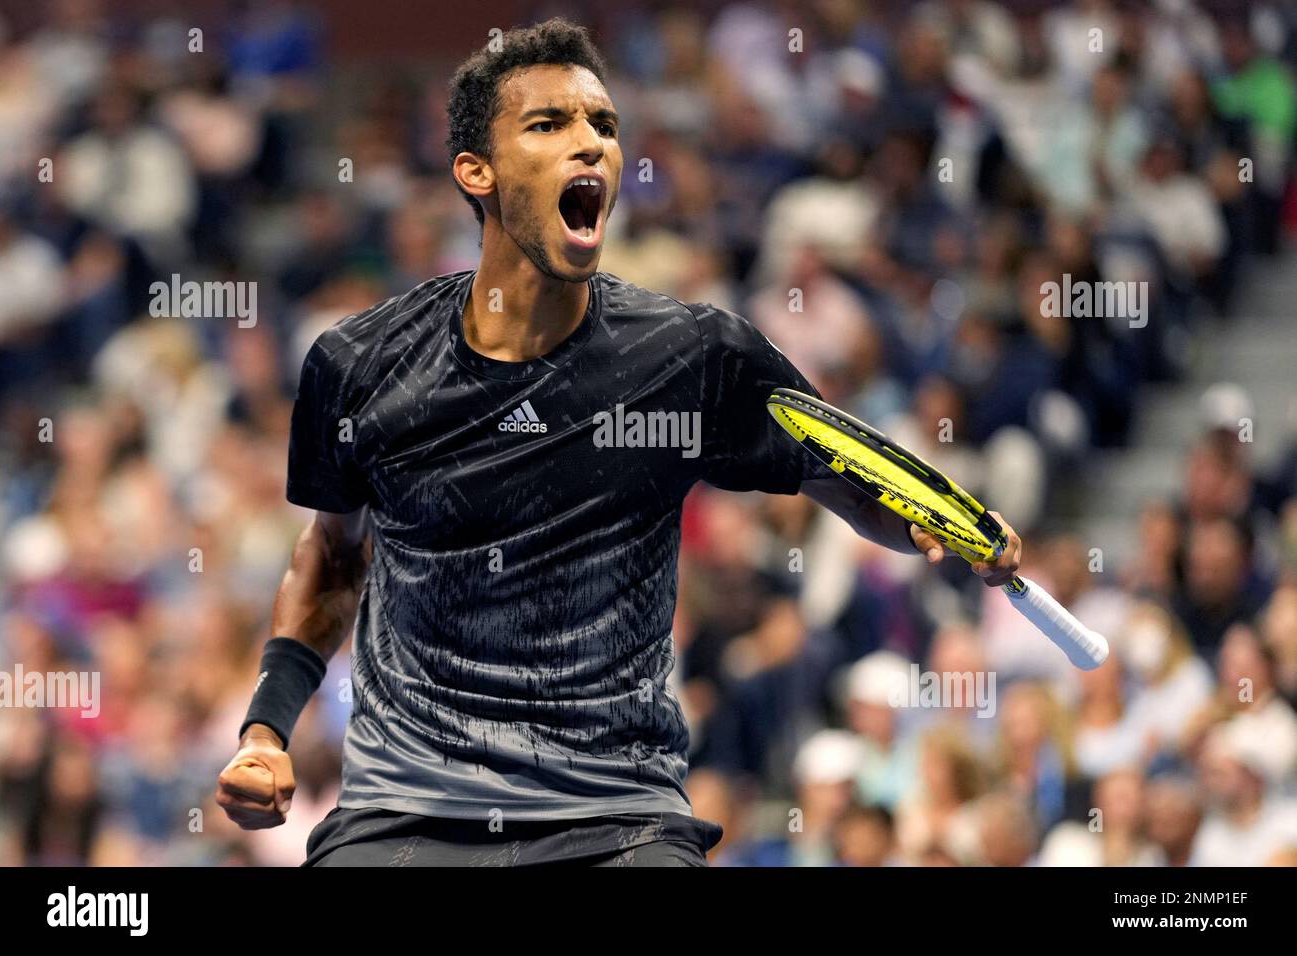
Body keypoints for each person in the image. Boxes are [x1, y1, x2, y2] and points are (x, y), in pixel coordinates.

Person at [214, 18, 1023, 867]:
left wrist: (946, 524)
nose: (592, 144)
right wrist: (268, 726)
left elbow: (851, 479)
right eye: (549, 124)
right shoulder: (360, 365)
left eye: (602, 124)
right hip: (408, 814)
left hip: (617, 819)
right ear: (475, 172)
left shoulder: (694, 358)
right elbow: (334, 555)